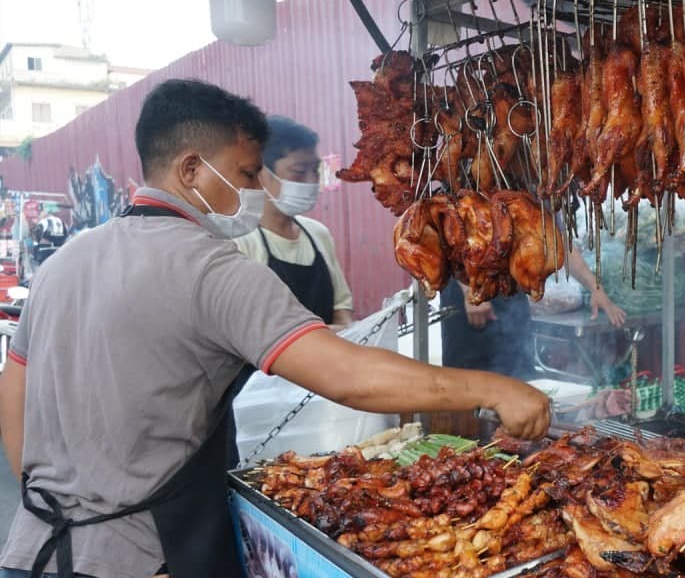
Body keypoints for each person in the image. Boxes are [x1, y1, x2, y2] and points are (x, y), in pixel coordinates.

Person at [0, 79, 549, 578]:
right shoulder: (211, 268)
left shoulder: (63, 263)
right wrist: (492, 388)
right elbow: (345, 374)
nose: (257, 187)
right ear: (190, 169)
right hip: (150, 558)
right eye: (244, 174)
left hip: (31, 551)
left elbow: (14, 393)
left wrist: (60, 497)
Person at [234, 115, 353, 329]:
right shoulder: (241, 242)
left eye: (315, 170)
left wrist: (346, 332)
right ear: (261, 173)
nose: (311, 181)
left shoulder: (318, 233)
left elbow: (341, 309)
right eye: (298, 171)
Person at [440, 242, 627, 378]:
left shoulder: (532, 191)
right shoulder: (461, 190)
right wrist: (469, 290)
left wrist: (595, 288)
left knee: (520, 380)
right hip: (466, 304)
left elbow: (558, 241)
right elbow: (445, 240)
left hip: (511, 297)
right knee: (466, 384)